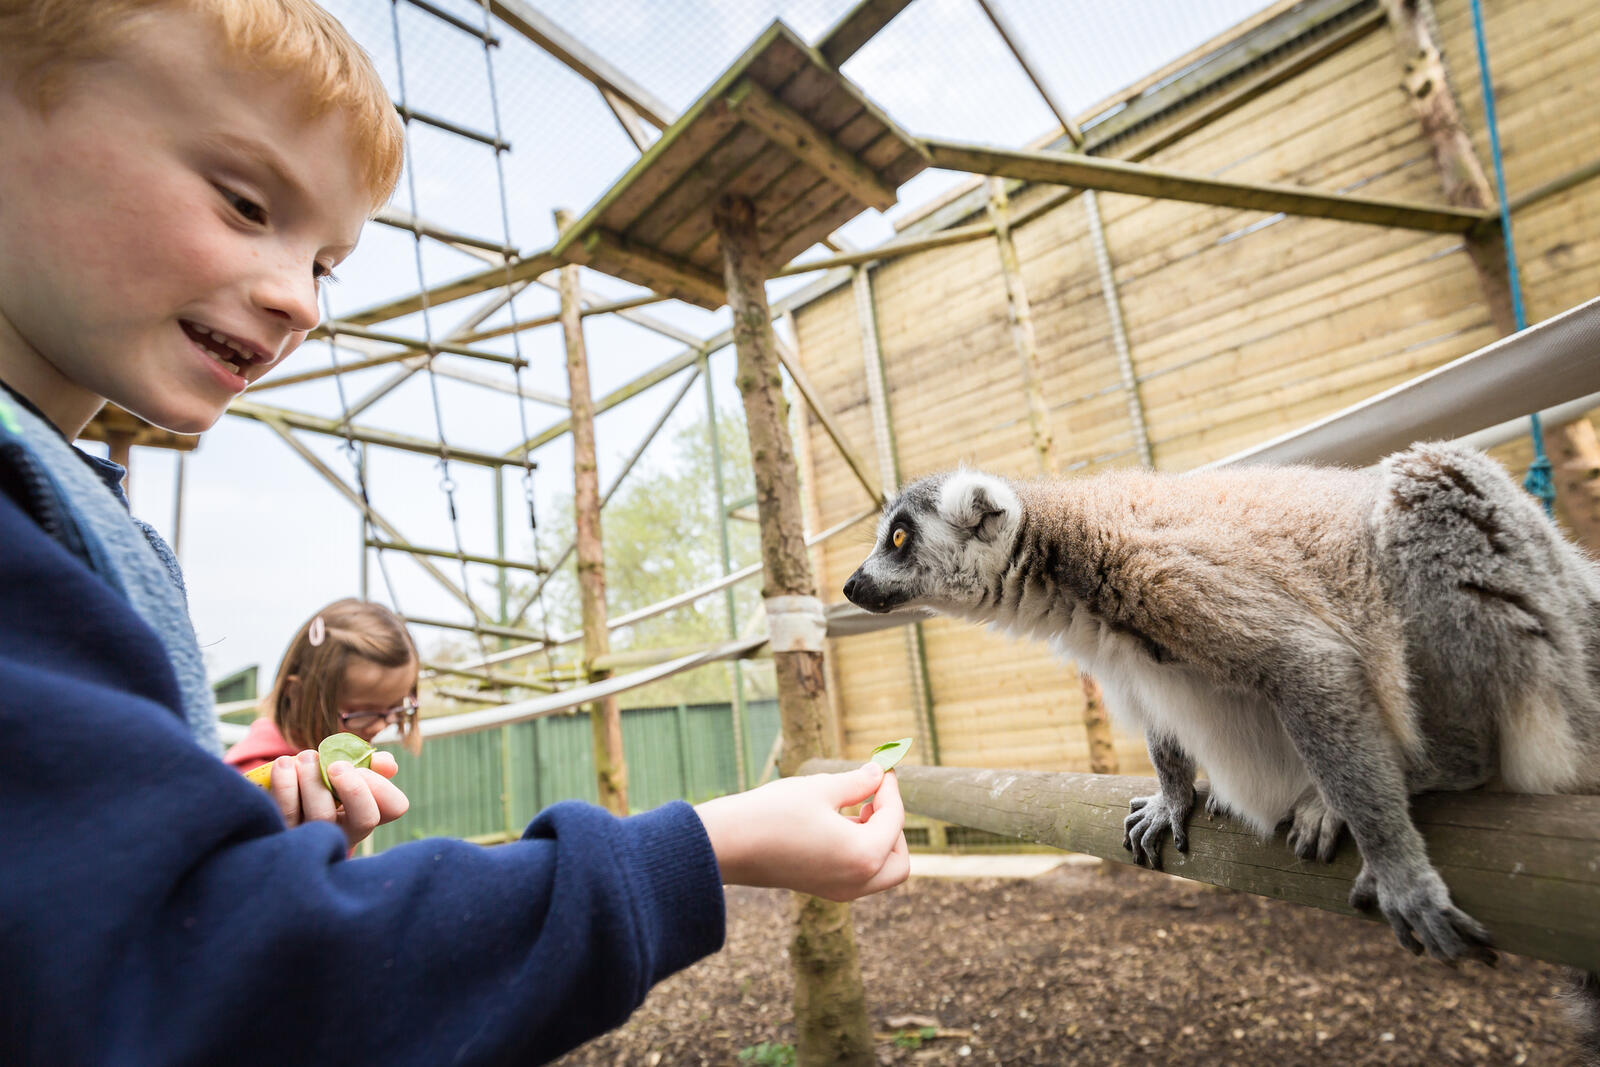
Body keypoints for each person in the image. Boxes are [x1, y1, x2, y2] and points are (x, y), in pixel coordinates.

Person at [0, 2, 910, 1064]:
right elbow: (209, 986)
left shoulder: (74, 504)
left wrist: (263, 854)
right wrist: (713, 844)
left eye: (329, 264)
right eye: (247, 202)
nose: (302, 302)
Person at [225, 598, 422, 836]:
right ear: (296, 694)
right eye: (363, 712)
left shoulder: (333, 771)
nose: (381, 725)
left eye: (396, 707)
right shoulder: (247, 783)